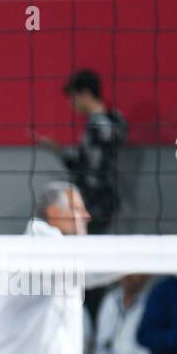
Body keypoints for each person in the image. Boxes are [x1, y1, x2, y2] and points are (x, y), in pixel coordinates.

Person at [0, 181, 121, 354]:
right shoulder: (40, 247)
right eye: (77, 209)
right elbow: (96, 269)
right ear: (54, 212)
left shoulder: (44, 248)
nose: (86, 216)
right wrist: (158, 254)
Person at [35, 69, 127, 236]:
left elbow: (91, 168)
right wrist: (57, 150)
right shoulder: (101, 123)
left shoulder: (103, 125)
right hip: (94, 200)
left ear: (85, 94)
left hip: (97, 202)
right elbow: (83, 164)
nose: (71, 103)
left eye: (73, 97)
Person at [86, 273, 152, 354]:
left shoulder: (151, 303)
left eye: (134, 271)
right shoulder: (110, 299)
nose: (128, 275)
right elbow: (100, 341)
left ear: (146, 275)